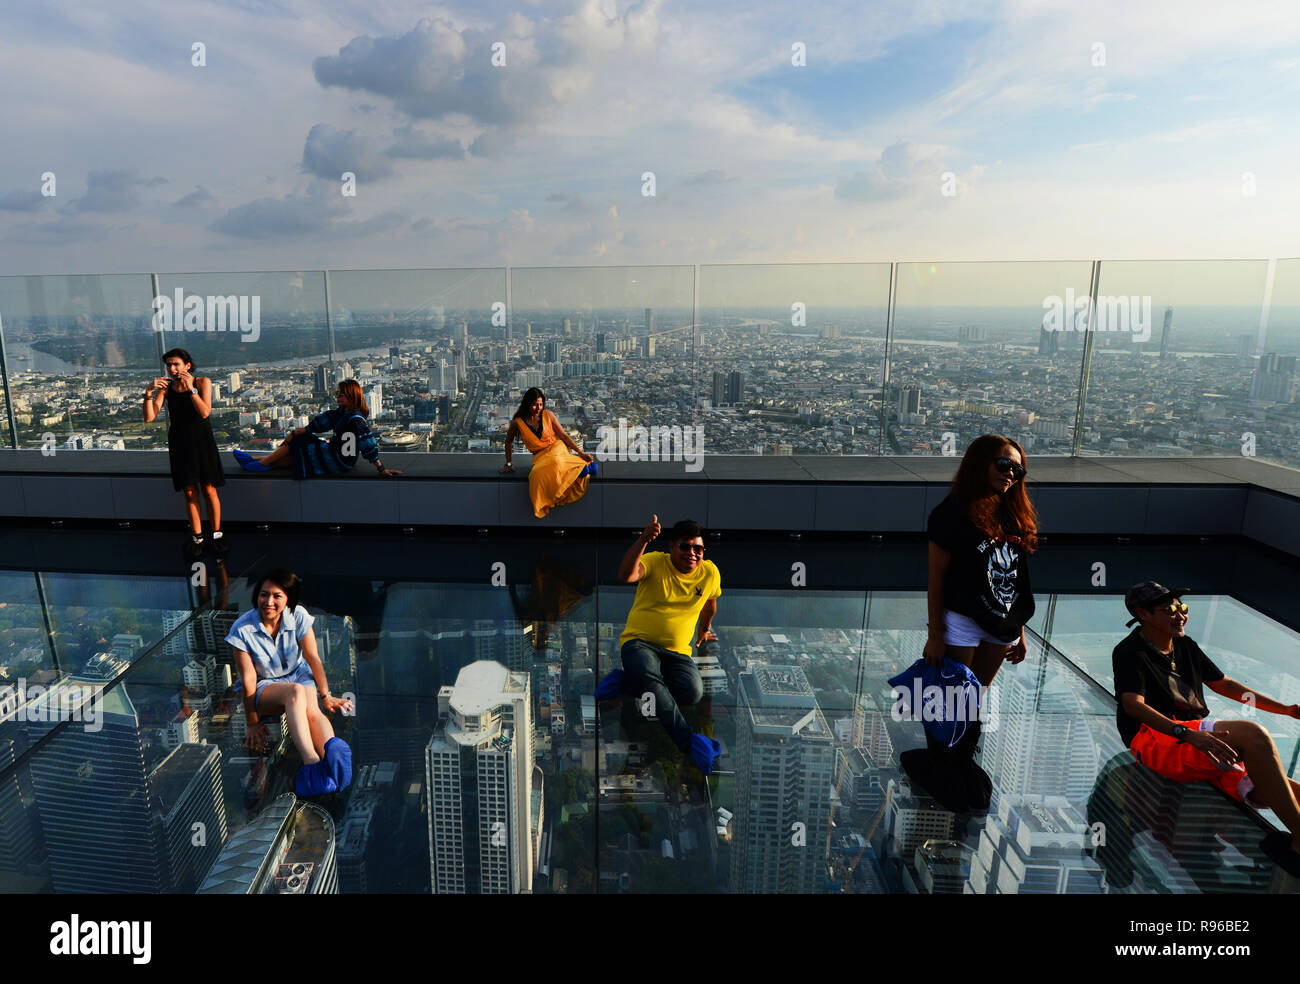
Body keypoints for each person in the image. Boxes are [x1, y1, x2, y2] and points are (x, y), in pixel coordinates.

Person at [1113, 581, 1300, 876]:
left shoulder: (1185, 645)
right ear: (1143, 614)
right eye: (1169, 610)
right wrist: (1187, 735)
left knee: (1280, 786)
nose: (1180, 615)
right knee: (1255, 736)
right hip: (1156, 737)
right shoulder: (1129, 651)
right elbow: (1132, 704)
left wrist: (1285, 710)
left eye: (1182, 608)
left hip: (1193, 733)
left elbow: (1224, 684)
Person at [907, 434, 1038, 810]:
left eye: (1018, 468)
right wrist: (936, 633)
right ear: (979, 463)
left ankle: (957, 765)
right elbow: (936, 579)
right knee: (953, 697)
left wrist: (1019, 629)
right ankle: (942, 766)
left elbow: (1016, 577)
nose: (1010, 473)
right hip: (961, 620)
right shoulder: (950, 515)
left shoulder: (1013, 512)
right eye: (1003, 464)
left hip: (1001, 624)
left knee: (972, 697)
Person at [596, 516, 722, 775]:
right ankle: (688, 743)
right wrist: (644, 539)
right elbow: (626, 574)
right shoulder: (655, 561)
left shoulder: (710, 572)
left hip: (678, 653)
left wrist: (705, 629)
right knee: (653, 683)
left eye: (698, 549)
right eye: (686, 547)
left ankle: (624, 683)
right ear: (672, 547)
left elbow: (710, 602)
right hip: (639, 644)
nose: (692, 554)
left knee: (692, 693)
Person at [226, 569, 353, 797]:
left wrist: (326, 695)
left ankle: (330, 757)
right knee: (295, 693)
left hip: (297, 673)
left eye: (277, 596)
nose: (269, 602)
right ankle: (312, 762)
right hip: (264, 686)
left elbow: (312, 657)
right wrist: (253, 722)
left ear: (288, 600)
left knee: (313, 711)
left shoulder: (298, 615)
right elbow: (249, 679)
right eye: (264, 595)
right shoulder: (242, 629)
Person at [142, 348, 225, 557]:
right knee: (189, 492)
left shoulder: (202, 382)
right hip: (180, 442)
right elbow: (149, 417)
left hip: (202, 441)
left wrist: (191, 389)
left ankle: (217, 534)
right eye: (169, 365)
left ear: (187, 365)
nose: (172, 368)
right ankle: (197, 537)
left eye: (176, 364)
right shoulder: (166, 388)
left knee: (209, 489)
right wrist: (147, 393)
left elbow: (205, 412)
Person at [233, 379, 401, 479]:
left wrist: (381, 468)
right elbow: (323, 421)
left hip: (338, 460)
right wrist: (299, 430)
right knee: (296, 458)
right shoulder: (345, 413)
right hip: (340, 458)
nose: (337, 397)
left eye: (341, 394)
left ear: (351, 396)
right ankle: (256, 460)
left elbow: (368, 445)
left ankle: (261, 462)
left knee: (300, 441)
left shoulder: (355, 420)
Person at [498, 388, 596, 518]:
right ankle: (580, 469)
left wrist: (579, 452)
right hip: (540, 456)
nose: (538, 407)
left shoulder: (548, 415)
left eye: (540, 404)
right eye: (534, 404)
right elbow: (508, 442)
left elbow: (563, 435)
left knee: (556, 460)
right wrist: (509, 463)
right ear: (527, 404)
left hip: (556, 448)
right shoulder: (518, 422)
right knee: (536, 475)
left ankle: (580, 467)